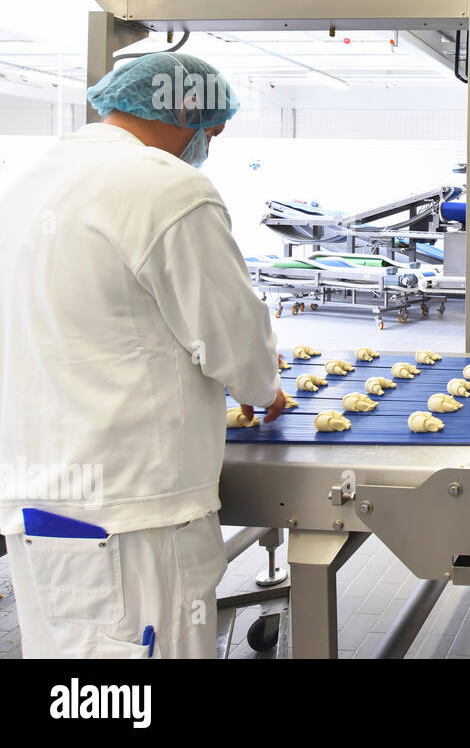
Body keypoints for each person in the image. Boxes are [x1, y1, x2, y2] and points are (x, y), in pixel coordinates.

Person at [0, 52, 285, 658]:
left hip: (40, 495)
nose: (209, 145)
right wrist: (265, 390)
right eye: (212, 132)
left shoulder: (32, 182)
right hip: (136, 511)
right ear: (186, 116)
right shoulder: (167, 187)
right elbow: (233, 337)